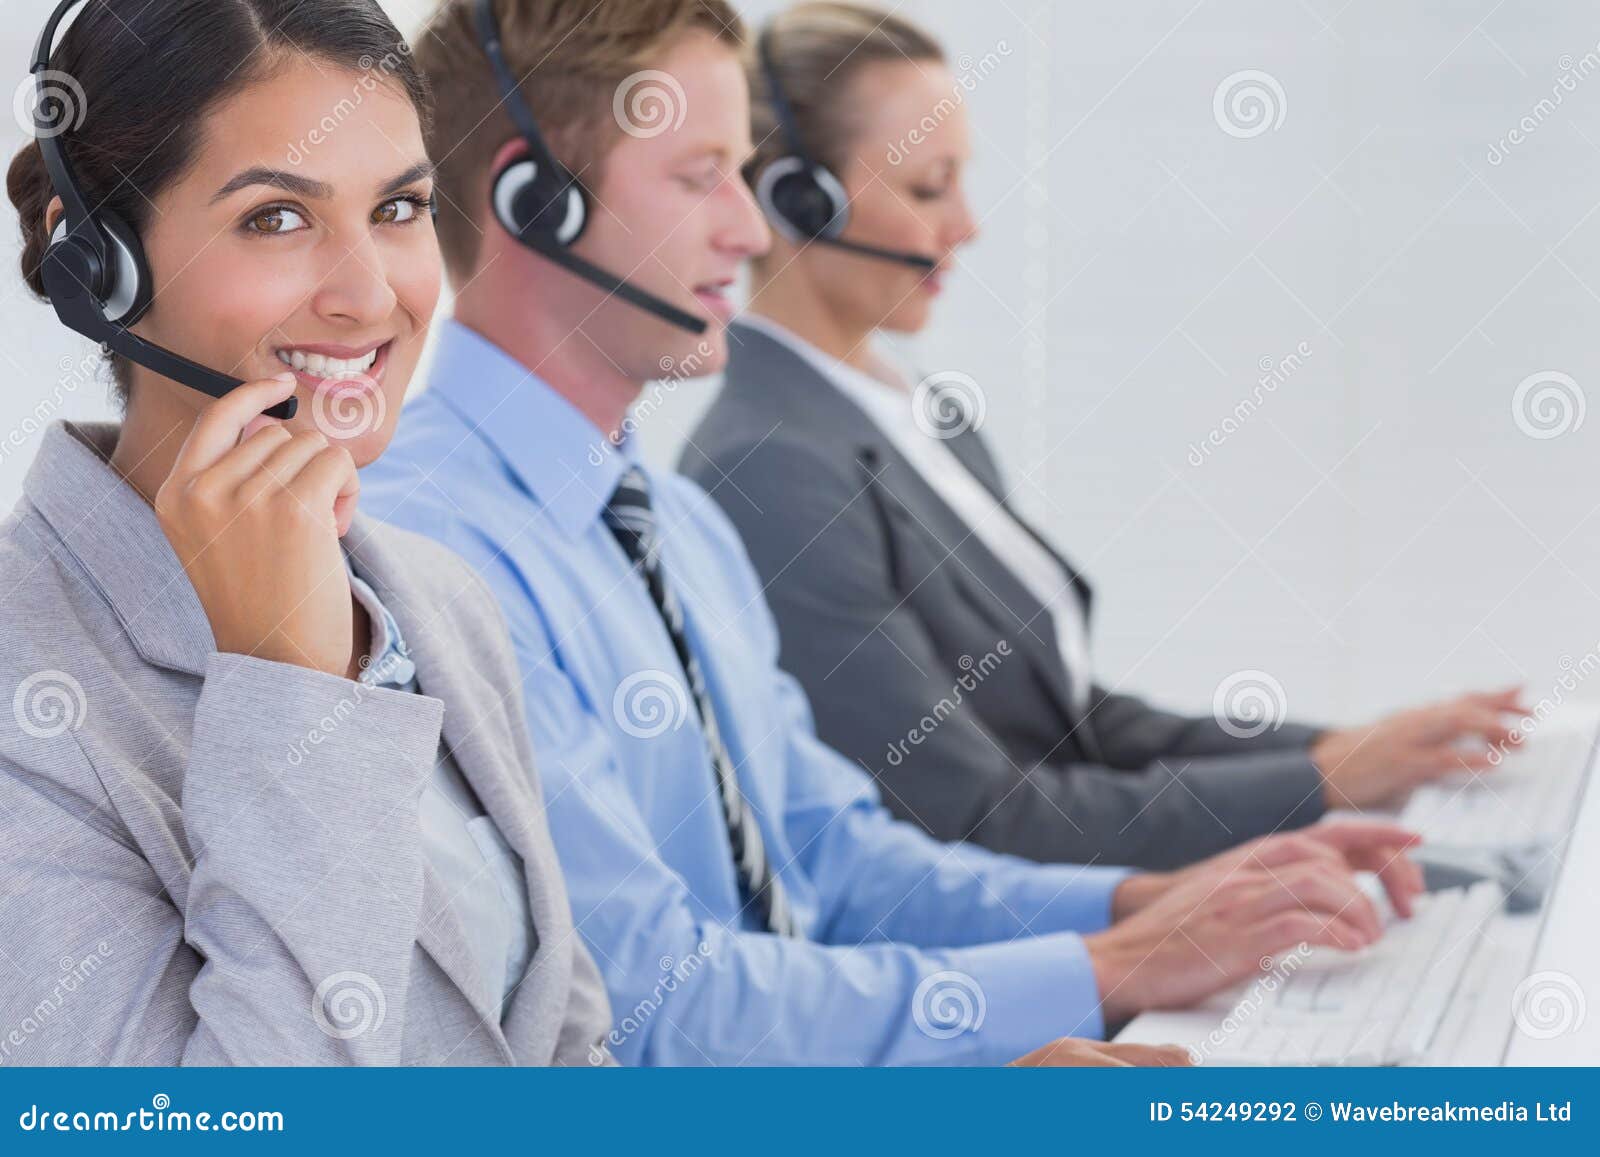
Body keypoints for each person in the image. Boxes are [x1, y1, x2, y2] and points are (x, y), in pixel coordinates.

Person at [361, 0, 1424, 1067]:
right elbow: (646, 1003)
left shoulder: (677, 529)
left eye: (744, 172)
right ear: (532, 201)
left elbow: (837, 858)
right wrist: (1104, 969)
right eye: (698, 178)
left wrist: (1153, 903)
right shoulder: (429, 553)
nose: (748, 226)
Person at [680, 0, 1530, 870]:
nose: (966, 225)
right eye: (929, 187)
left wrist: (1355, 752)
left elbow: (1073, 723)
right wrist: (1321, 781)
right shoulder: (772, 471)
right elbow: (979, 820)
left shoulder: (909, 408)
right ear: (797, 200)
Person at [0, 0, 612, 1065]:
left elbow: (569, 1052)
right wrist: (287, 682)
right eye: (277, 217)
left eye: (401, 207)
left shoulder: (438, 600)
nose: (370, 292)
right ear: (97, 267)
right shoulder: (27, 694)